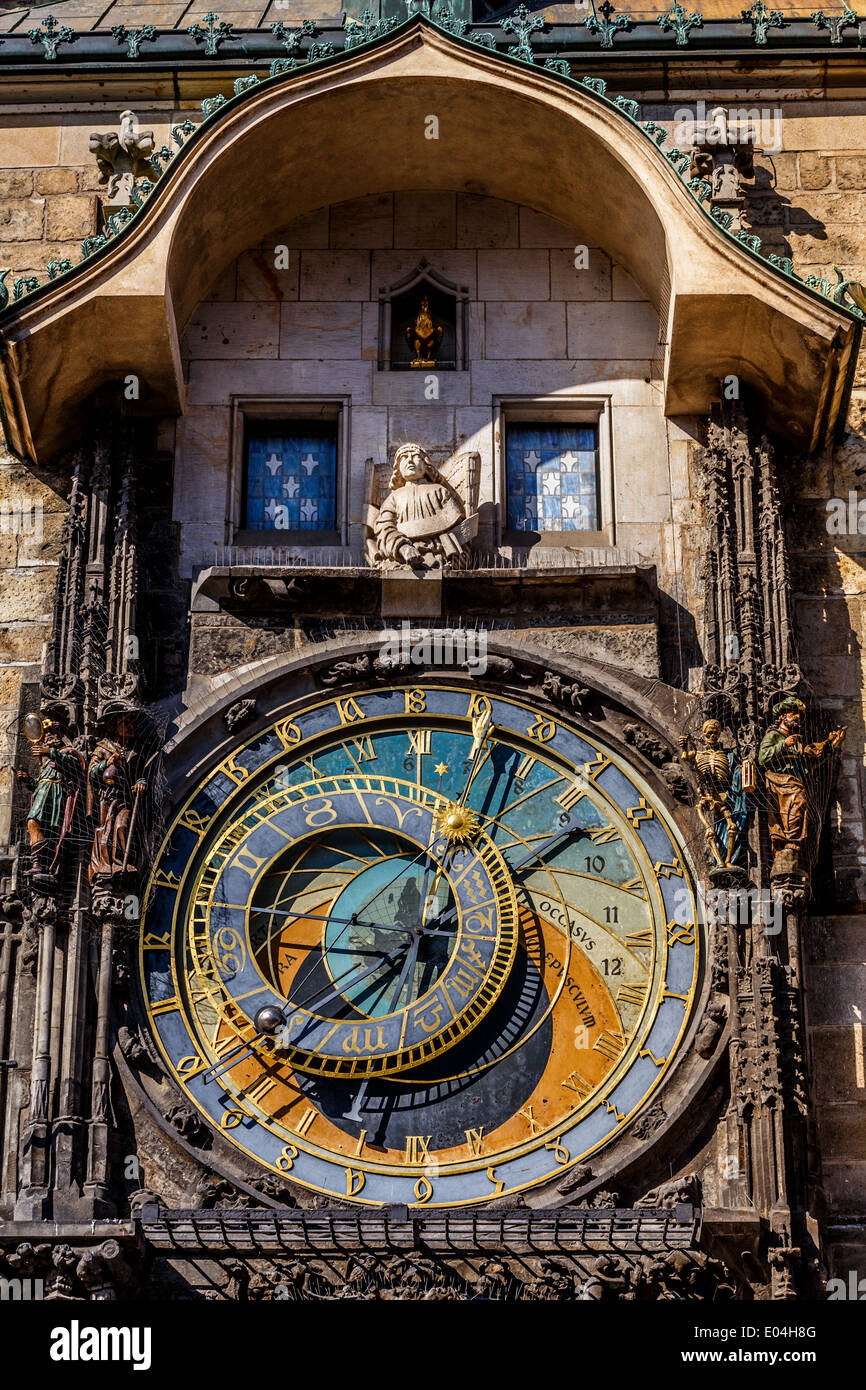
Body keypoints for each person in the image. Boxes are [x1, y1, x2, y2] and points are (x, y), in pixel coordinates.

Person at [758, 696, 845, 871]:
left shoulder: (796, 741)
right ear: (782, 716)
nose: (797, 717)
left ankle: (793, 843)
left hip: (796, 782)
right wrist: (784, 744)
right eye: (793, 713)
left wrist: (831, 746)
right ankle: (788, 842)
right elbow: (762, 757)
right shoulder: (774, 735)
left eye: (798, 714)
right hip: (781, 784)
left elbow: (808, 763)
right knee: (797, 800)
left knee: (800, 804)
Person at [374, 443, 467, 568]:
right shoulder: (394, 497)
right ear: (398, 469)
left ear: (426, 464)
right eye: (404, 457)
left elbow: (459, 526)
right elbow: (384, 528)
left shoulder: (439, 491)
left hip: (439, 553)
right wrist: (402, 548)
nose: (410, 461)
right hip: (404, 554)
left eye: (416, 456)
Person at [17, 720, 85, 884]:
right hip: (43, 793)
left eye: (52, 734)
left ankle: (40, 863)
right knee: (35, 825)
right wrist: (28, 780)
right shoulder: (47, 763)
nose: (48, 737)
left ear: (59, 737)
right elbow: (39, 782)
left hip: (55, 796)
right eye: (46, 735)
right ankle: (38, 863)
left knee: (37, 825)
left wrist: (51, 752)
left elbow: (74, 765)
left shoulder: (68, 753)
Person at [86, 711, 146, 883]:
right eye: (125, 722)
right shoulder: (103, 748)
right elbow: (92, 773)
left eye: (131, 722)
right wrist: (107, 763)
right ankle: (109, 865)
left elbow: (140, 774)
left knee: (122, 825)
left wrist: (141, 783)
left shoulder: (134, 751)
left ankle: (121, 862)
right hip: (108, 798)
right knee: (107, 829)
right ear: (115, 728)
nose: (130, 726)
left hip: (126, 797)